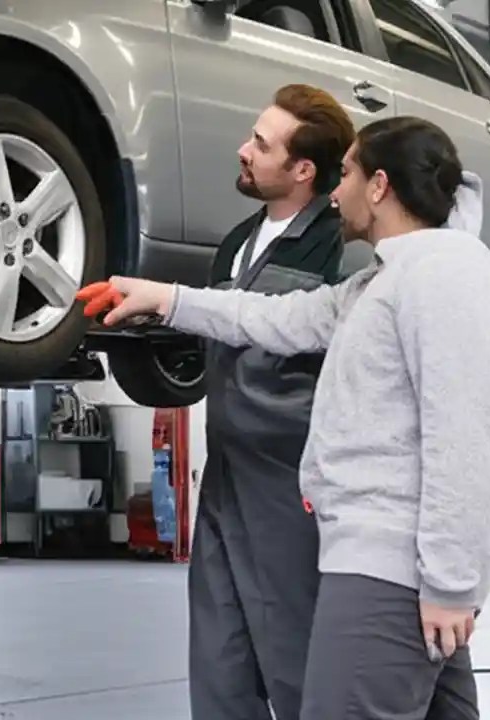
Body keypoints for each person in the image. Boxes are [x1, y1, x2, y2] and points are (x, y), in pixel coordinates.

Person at [80, 116, 490, 720]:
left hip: (393, 573)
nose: (335, 192)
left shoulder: (446, 274)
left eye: (348, 174)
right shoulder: (379, 284)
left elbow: (470, 439)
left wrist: (450, 583)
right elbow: (272, 318)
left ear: (380, 185)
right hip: (384, 563)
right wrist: (164, 298)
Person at [186, 83, 355, 720]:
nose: (244, 151)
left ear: (303, 169)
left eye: (261, 144)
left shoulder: (339, 246)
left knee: (296, 656)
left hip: (291, 483)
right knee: (219, 657)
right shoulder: (236, 243)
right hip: (225, 472)